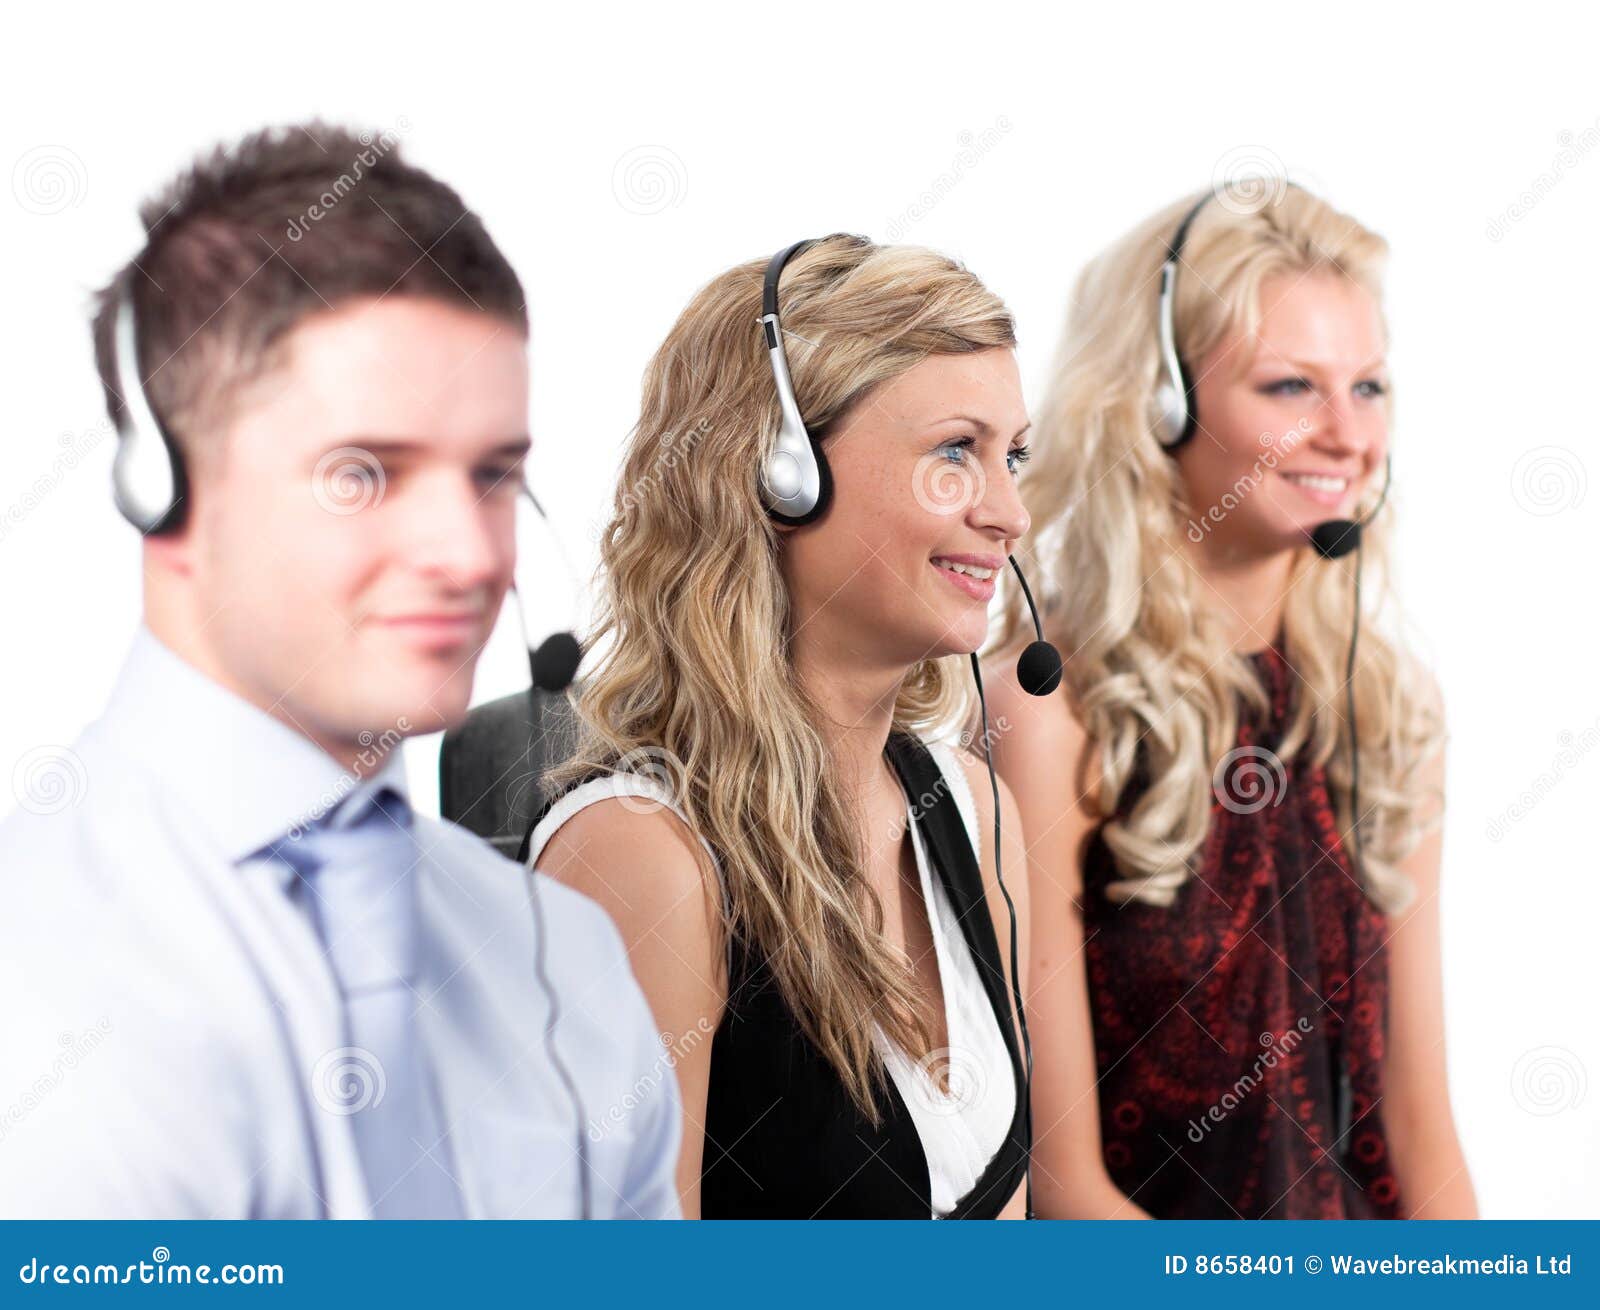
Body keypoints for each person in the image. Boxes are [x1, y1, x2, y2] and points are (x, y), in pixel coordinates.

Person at [0, 123, 680, 1220]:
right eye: (364, 472)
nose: (469, 555)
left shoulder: (558, 958)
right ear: (158, 483)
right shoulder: (35, 982)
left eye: (494, 475)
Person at [986, 183, 1477, 1219]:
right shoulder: (1050, 707)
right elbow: (1060, 1184)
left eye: (1370, 386)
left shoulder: (1385, 707)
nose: (1346, 433)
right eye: (1291, 385)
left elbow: (1420, 1132)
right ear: (1159, 399)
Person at [527, 235, 1032, 1218]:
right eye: (953, 452)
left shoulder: (969, 806)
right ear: (777, 473)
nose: (1008, 511)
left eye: (1012, 455)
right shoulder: (642, 855)